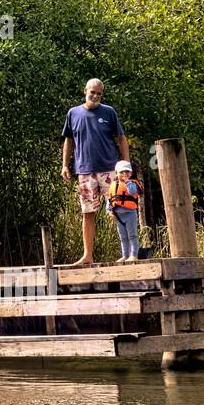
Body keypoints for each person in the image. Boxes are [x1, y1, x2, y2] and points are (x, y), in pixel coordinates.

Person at [60, 78, 130, 266]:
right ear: (85, 91)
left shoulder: (109, 112)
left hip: (109, 170)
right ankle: (88, 255)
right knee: (87, 212)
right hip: (85, 170)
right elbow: (68, 140)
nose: (96, 96)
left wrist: (126, 165)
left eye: (99, 93)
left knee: (120, 208)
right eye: (93, 92)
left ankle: (128, 253)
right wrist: (65, 165)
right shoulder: (73, 113)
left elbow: (121, 138)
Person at [106, 160, 143, 262]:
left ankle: (133, 255)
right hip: (118, 216)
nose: (124, 174)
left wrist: (127, 181)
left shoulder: (132, 184)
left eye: (126, 172)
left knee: (132, 235)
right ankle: (125, 256)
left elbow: (132, 192)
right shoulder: (113, 185)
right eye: (121, 172)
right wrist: (109, 212)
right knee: (123, 237)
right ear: (117, 173)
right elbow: (109, 200)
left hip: (130, 214)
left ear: (130, 173)